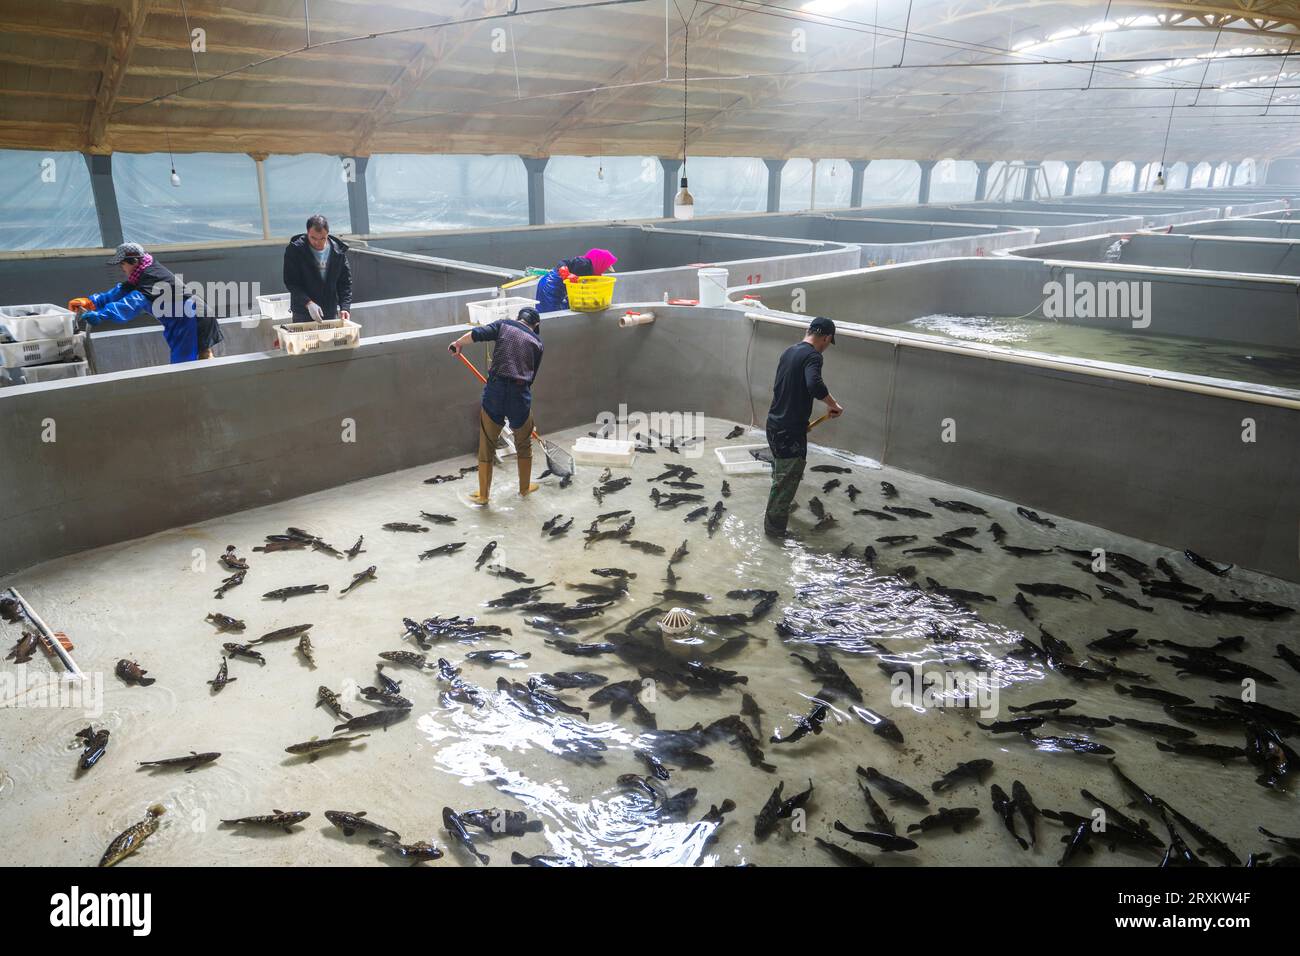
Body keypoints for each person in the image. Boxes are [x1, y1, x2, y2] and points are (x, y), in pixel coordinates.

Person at [447, 307, 545, 504]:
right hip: (519, 393)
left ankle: (484, 496)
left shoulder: (504, 325)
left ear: (518, 318)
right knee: (523, 443)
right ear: (535, 326)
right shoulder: (537, 343)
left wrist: (457, 344)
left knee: (487, 444)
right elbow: (531, 376)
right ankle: (524, 489)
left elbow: (476, 334)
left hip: (495, 390)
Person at [68, 242, 222, 363]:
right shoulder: (141, 273)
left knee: (184, 367)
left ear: (133, 261)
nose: (122, 268)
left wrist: (101, 315)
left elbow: (132, 302)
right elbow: (120, 291)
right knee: (201, 359)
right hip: (190, 317)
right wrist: (90, 302)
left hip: (191, 318)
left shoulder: (152, 276)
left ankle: (192, 399)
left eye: (122, 264)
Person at [764, 316, 844, 538]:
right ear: (826, 338)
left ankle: (778, 509)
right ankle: (775, 531)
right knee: (786, 480)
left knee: (781, 474)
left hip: (774, 424)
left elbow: (786, 387)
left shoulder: (789, 351)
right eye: (829, 342)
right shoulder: (813, 356)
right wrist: (832, 404)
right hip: (790, 431)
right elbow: (813, 383)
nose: (827, 346)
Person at [283, 214, 352, 323]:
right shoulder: (295, 250)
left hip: (329, 311)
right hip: (303, 312)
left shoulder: (338, 252)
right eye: (313, 238)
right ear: (307, 233)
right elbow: (291, 283)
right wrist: (308, 303)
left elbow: (344, 282)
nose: (318, 242)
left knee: (328, 339)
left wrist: (345, 307)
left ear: (328, 234)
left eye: (322, 238)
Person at [535, 247, 617, 313]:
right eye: (605, 266)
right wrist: (565, 272)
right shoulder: (584, 264)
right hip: (550, 285)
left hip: (555, 287)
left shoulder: (591, 270)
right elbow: (563, 262)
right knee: (550, 313)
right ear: (601, 262)